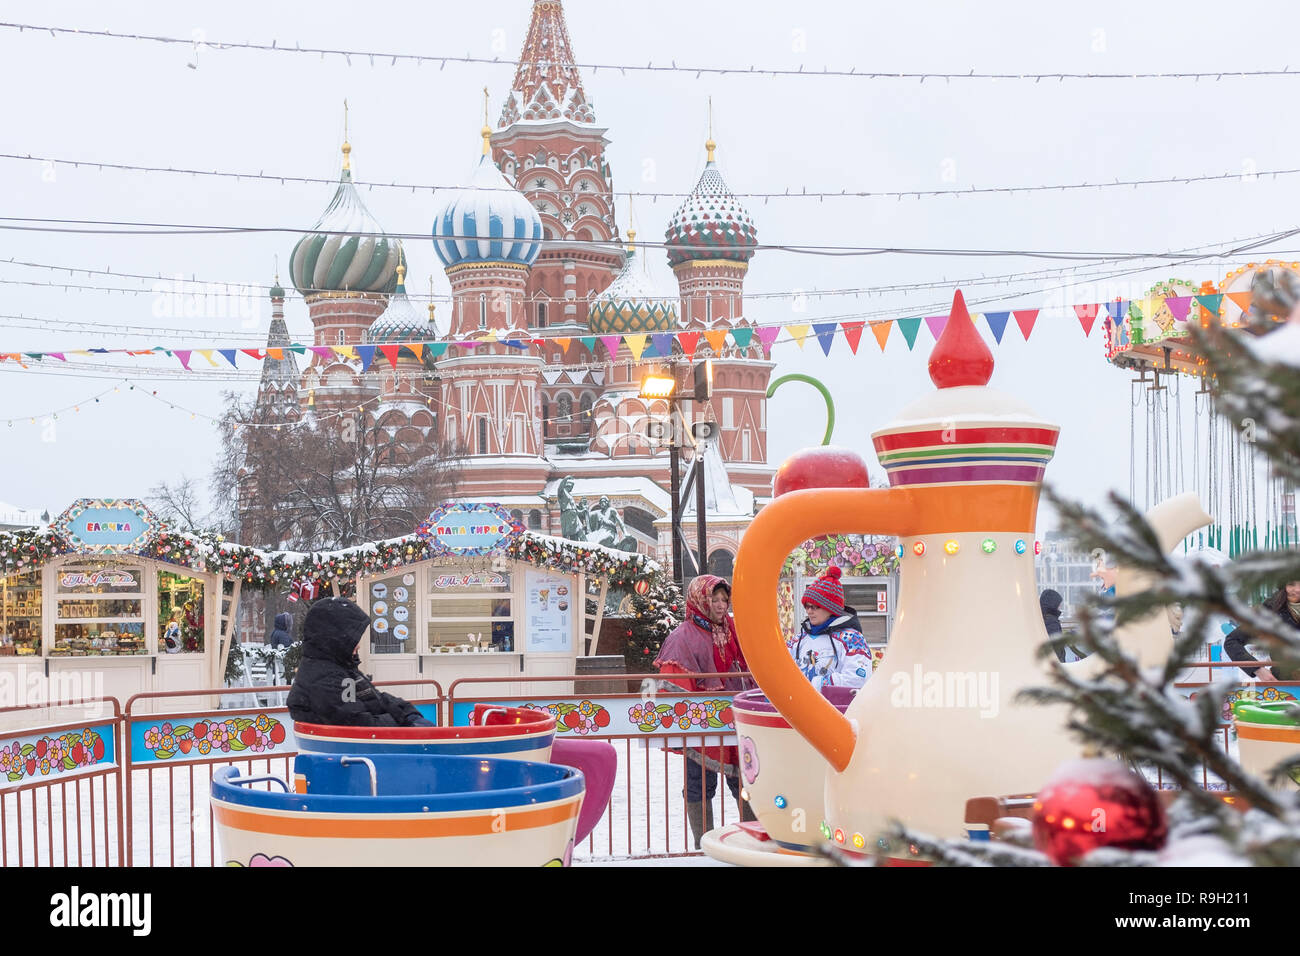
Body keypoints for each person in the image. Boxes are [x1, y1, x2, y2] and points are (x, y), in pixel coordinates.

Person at [653, 574, 755, 848]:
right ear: (701, 599)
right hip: (700, 728)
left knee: (746, 782)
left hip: (737, 721)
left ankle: (755, 839)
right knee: (698, 785)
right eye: (714, 599)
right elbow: (674, 686)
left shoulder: (733, 630)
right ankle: (704, 845)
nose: (721, 605)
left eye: (724, 599)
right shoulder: (682, 637)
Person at [287, 597, 433, 726]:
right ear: (335, 639)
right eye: (353, 639)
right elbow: (359, 723)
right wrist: (402, 725)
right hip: (358, 753)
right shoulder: (325, 679)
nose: (358, 645)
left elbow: (376, 699)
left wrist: (407, 714)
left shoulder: (339, 669)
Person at [789, 566, 870, 689]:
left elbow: (858, 678)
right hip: (796, 705)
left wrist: (818, 684)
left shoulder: (852, 639)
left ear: (830, 608)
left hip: (835, 706)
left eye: (815, 606)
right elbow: (779, 666)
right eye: (806, 606)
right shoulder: (799, 639)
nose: (809, 611)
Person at [1222, 581, 1300, 681]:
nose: (1297, 590)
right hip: (1285, 686)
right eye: (1291, 584)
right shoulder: (1269, 610)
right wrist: (1258, 669)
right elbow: (1232, 641)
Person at [1040, 589, 1066, 663]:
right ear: (1052, 604)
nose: (1059, 607)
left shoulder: (1042, 618)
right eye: (1058, 605)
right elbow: (1056, 647)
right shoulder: (1051, 621)